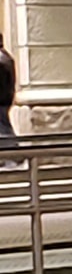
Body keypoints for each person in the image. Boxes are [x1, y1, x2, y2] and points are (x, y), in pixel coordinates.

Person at [0, 31, 19, 170]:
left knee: (4, 129)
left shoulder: (1, 60)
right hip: (5, 99)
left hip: (1, 100)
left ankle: (13, 157)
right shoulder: (6, 57)